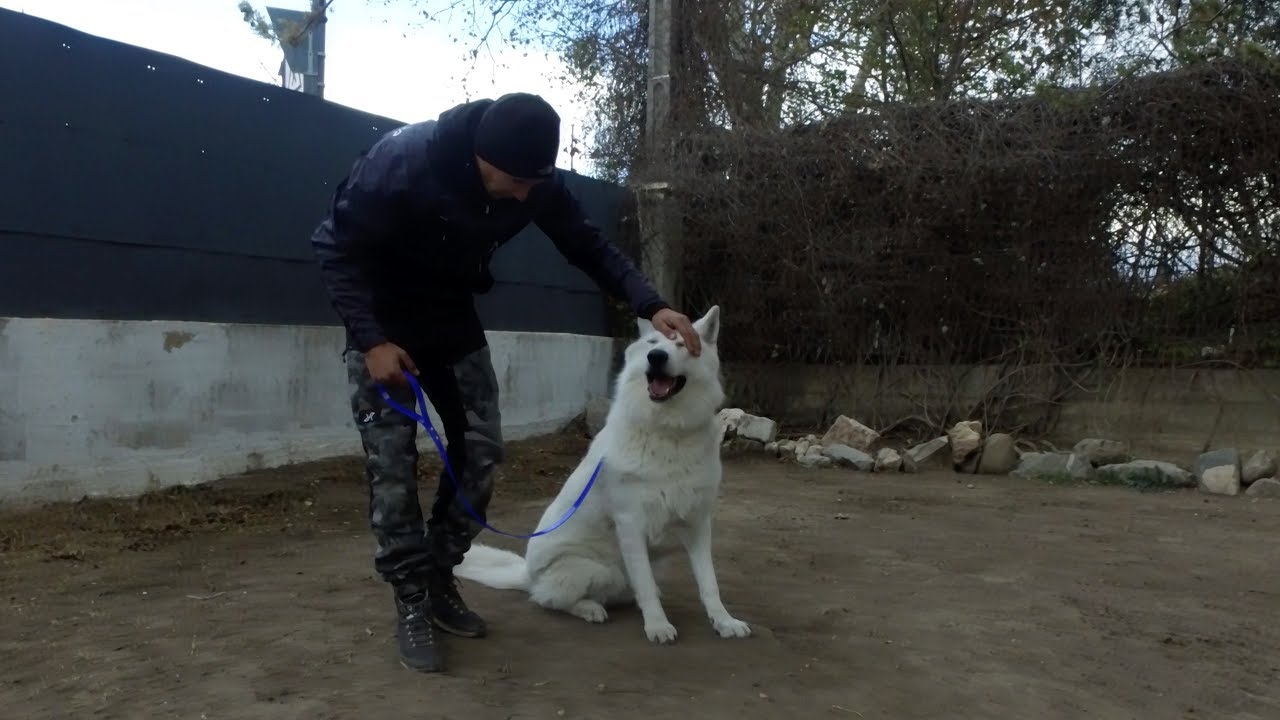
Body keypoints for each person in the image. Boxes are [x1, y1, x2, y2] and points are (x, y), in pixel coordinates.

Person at [309, 92, 701, 673]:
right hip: (383, 324)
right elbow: (334, 248)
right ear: (479, 156)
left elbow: (586, 244)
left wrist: (651, 304)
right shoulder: (403, 164)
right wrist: (370, 341)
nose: (524, 195)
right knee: (393, 469)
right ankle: (411, 599)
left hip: (450, 318)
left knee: (484, 452)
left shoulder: (532, 180)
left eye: (532, 183)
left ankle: (441, 576)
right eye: (513, 180)